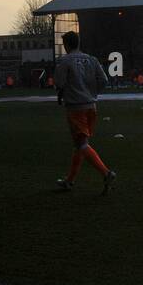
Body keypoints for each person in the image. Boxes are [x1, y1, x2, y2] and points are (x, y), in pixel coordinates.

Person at [54, 31, 116, 194]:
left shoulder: (65, 61)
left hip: (76, 107)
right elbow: (104, 80)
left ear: (66, 45)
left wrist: (66, 91)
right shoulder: (91, 59)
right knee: (80, 145)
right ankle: (70, 181)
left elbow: (59, 83)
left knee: (81, 144)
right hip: (91, 107)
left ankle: (106, 173)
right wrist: (93, 93)